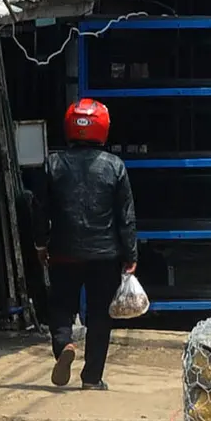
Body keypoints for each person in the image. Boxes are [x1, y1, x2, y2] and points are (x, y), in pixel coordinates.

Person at [28, 97, 138, 391]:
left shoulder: (52, 163)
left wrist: (41, 244)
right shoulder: (115, 166)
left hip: (64, 251)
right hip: (105, 255)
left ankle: (64, 343)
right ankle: (92, 378)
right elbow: (125, 216)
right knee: (101, 314)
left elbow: (40, 209)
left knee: (62, 305)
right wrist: (130, 255)